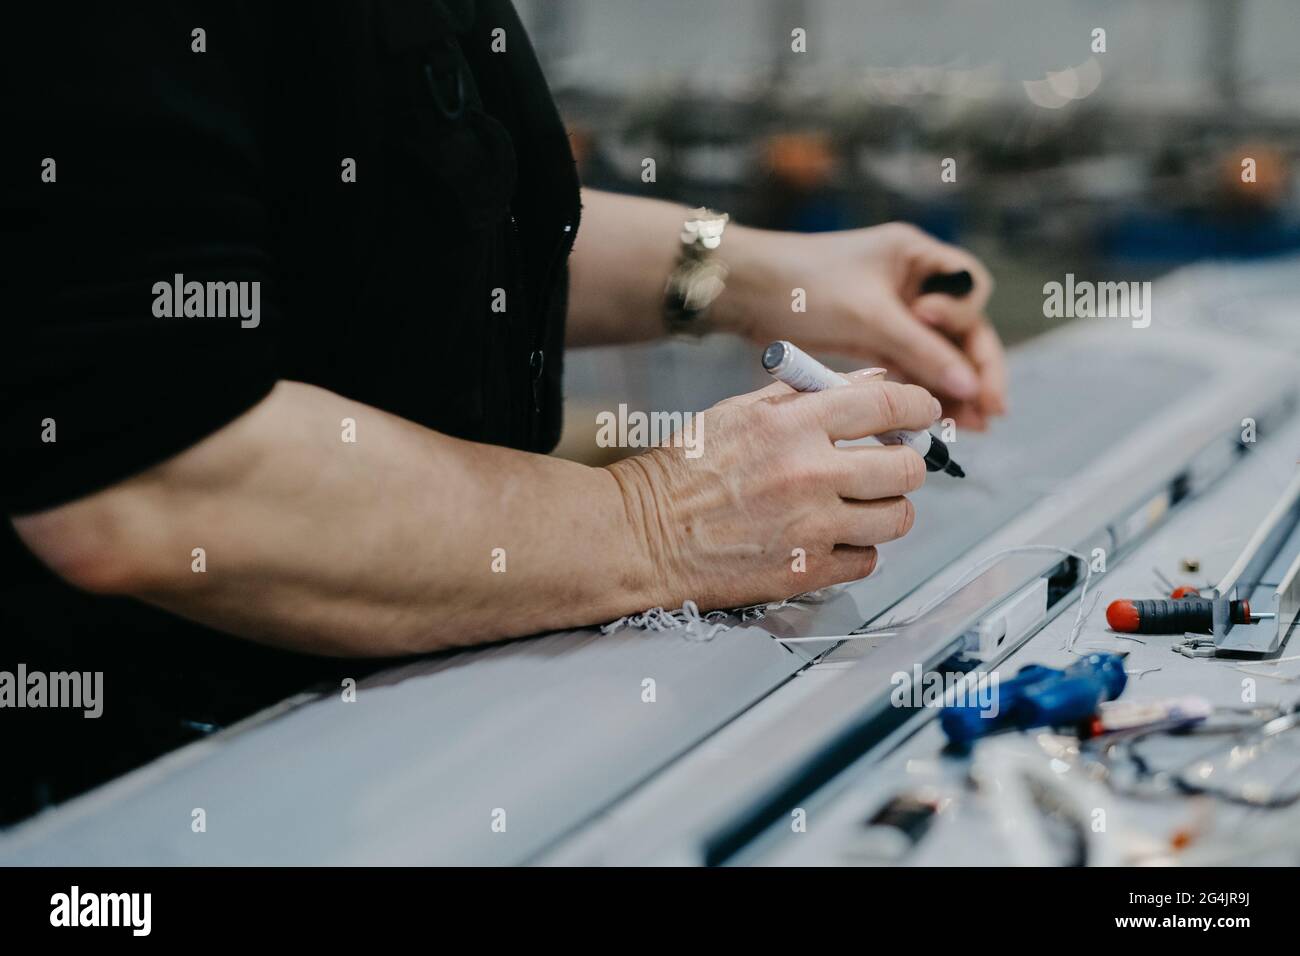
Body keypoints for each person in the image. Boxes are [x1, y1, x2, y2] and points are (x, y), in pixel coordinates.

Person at [1, 0, 1003, 816]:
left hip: (406, 747)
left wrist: (752, 272)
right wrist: (656, 519)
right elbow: (148, 468)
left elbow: (412, 215)